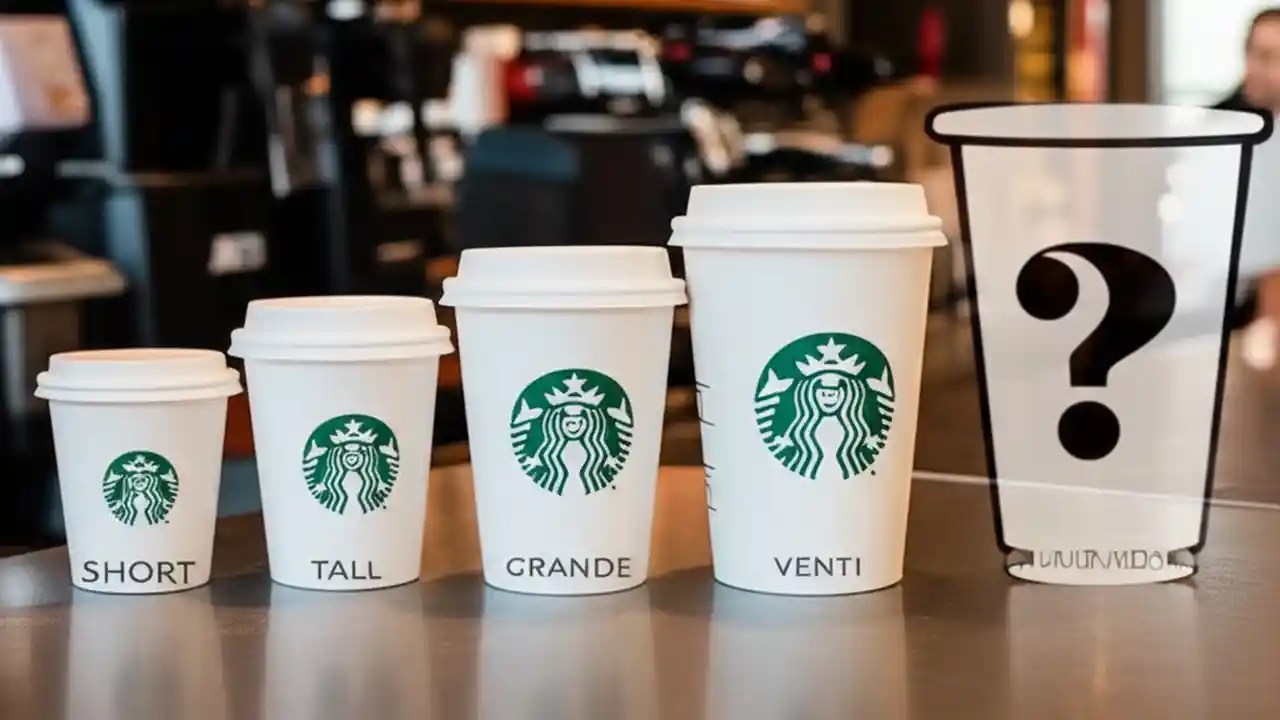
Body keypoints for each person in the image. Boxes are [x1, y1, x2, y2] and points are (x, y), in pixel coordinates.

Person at [1219, 9, 1280, 368]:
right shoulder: (1217, 128)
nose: (1259, 69)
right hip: (1231, 305)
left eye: (1272, 58)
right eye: (1255, 55)